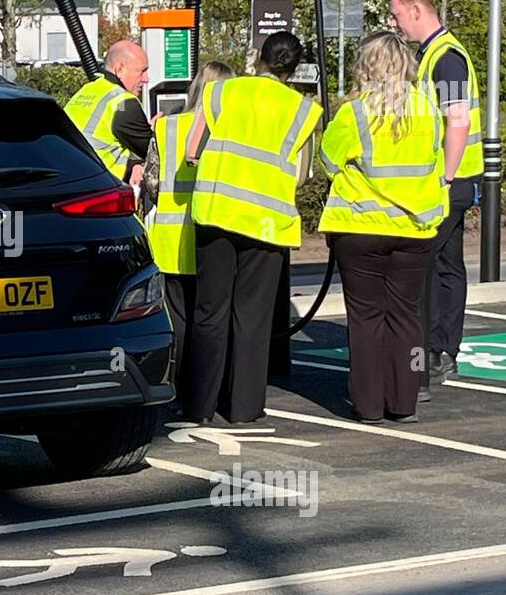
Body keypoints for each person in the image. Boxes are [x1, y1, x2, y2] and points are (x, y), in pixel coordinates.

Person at [182, 32, 322, 425]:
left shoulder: (222, 93)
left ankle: (199, 406)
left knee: (210, 311)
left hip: (216, 212)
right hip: (266, 222)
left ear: (259, 58)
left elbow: (193, 150)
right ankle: (244, 408)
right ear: (294, 68)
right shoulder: (302, 109)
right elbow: (300, 176)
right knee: (253, 317)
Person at [318, 32, 448, 424]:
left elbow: (327, 161)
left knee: (366, 318)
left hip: (360, 227)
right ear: (407, 65)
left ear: (366, 66)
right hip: (415, 227)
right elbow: (435, 157)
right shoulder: (428, 109)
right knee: (406, 316)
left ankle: (369, 405)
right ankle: (404, 403)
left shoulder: (355, 112)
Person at [388, 0, 482, 395]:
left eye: (396, 15)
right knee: (447, 265)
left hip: (450, 179)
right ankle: (444, 349)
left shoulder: (444, 59)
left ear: (415, 10)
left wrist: (444, 175)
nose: (395, 24)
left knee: (426, 266)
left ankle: (432, 352)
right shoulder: (437, 55)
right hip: (459, 177)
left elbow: (456, 120)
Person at [141, 61, 235, 411]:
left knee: (177, 319)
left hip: (169, 236)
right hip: (213, 234)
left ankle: (175, 387)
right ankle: (208, 391)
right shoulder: (228, 131)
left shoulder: (166, 127)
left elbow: (151, 182)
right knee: (210, 318)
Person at [63, 40, 152, 185]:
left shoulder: (88, 90)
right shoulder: (124, 102)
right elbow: (152, 151)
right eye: (142, 71)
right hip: (98, 188)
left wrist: (132, 165)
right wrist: (158, 130)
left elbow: (100, 143)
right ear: (120, 69)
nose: (146, 79)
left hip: (71, 179)